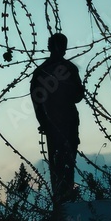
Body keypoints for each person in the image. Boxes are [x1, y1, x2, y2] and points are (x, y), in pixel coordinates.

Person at [30, 33, 85, 207]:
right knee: (66, 159)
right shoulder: (68, 69)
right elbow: (78, 95)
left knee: (58, 161)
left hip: (53, 122)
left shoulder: (41, 71)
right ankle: (65, 200)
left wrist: (43, 122)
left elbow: (36, 101)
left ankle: (61, 201)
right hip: (65, 120)